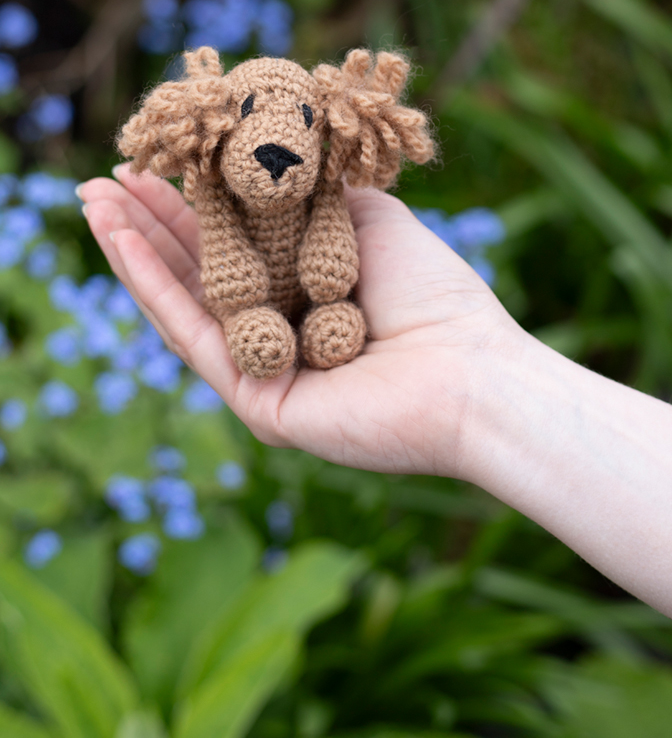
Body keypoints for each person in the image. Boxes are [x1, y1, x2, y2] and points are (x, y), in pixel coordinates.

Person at [78, 166, 672, 618]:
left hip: (327, 309)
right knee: (251, 325)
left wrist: (472, 379)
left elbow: (331, 241)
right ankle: (266, 329)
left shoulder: (329, 187)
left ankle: (320, 324)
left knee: (332, 318)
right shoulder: (214, 191)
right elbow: (223, 244)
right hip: (253, 305)